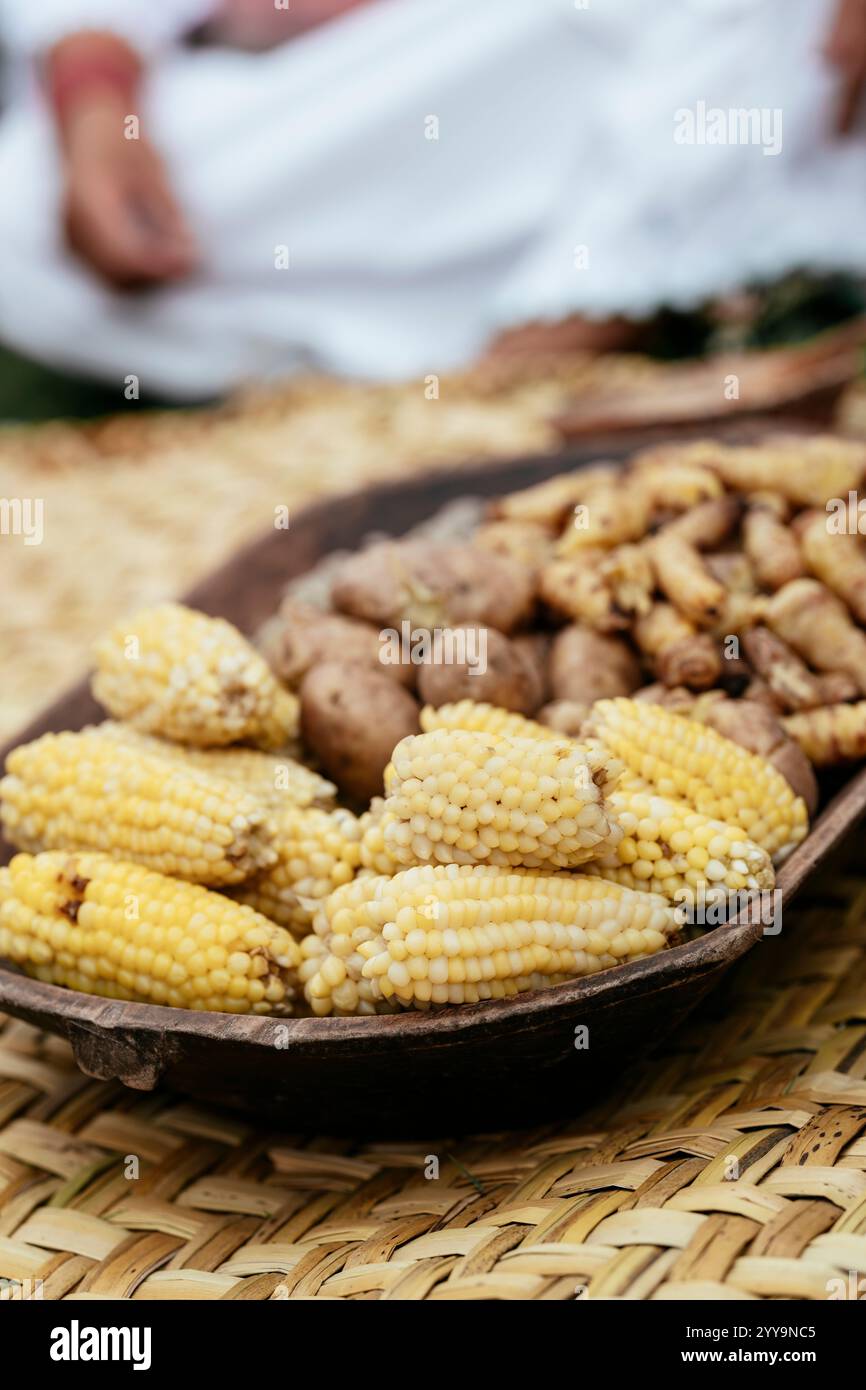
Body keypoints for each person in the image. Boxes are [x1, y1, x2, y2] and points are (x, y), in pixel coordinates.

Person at [0, 0, 864, 398]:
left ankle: (543, 355)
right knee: (18, 210)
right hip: (445, 62)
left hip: (711, 63)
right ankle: (366, 385)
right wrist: (96, 95)